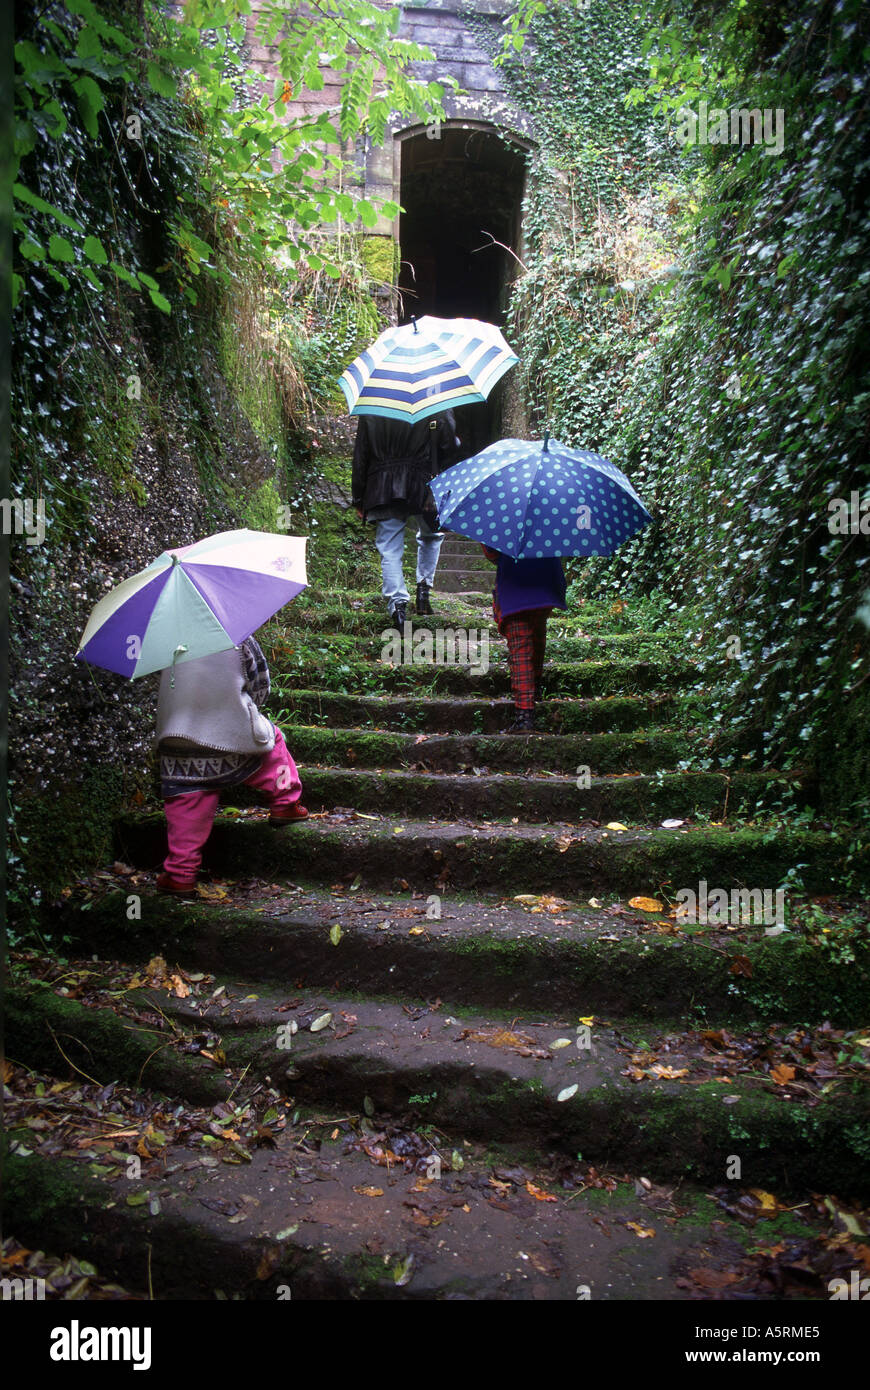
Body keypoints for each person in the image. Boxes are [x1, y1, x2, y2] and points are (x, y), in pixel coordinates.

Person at [154, 634, 307, 893]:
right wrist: (248, 705)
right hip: (231, 737)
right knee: (273, 745)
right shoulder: (239, 637)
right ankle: (285, 803)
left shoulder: (166, 640)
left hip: (178, 744)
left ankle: (180, 874)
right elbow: (261, 685)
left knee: (186, 809)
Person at [352, 410, 459, 627]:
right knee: (431, 534)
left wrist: (358, 496)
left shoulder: (375, 404)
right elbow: (449, 446)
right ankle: (423, 590)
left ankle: (398, 608)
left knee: (390, 548)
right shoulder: (435, 399)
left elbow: (361, 453)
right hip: (424, 483)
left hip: (382, 484)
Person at [482, 545, 567, 733]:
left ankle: (524, 714)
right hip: (546, 581)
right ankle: (534, 687)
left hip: (516, 585)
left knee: (520, 649)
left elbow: (493, 554)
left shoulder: (501, 517)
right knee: (537, 635)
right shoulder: (551, 518)